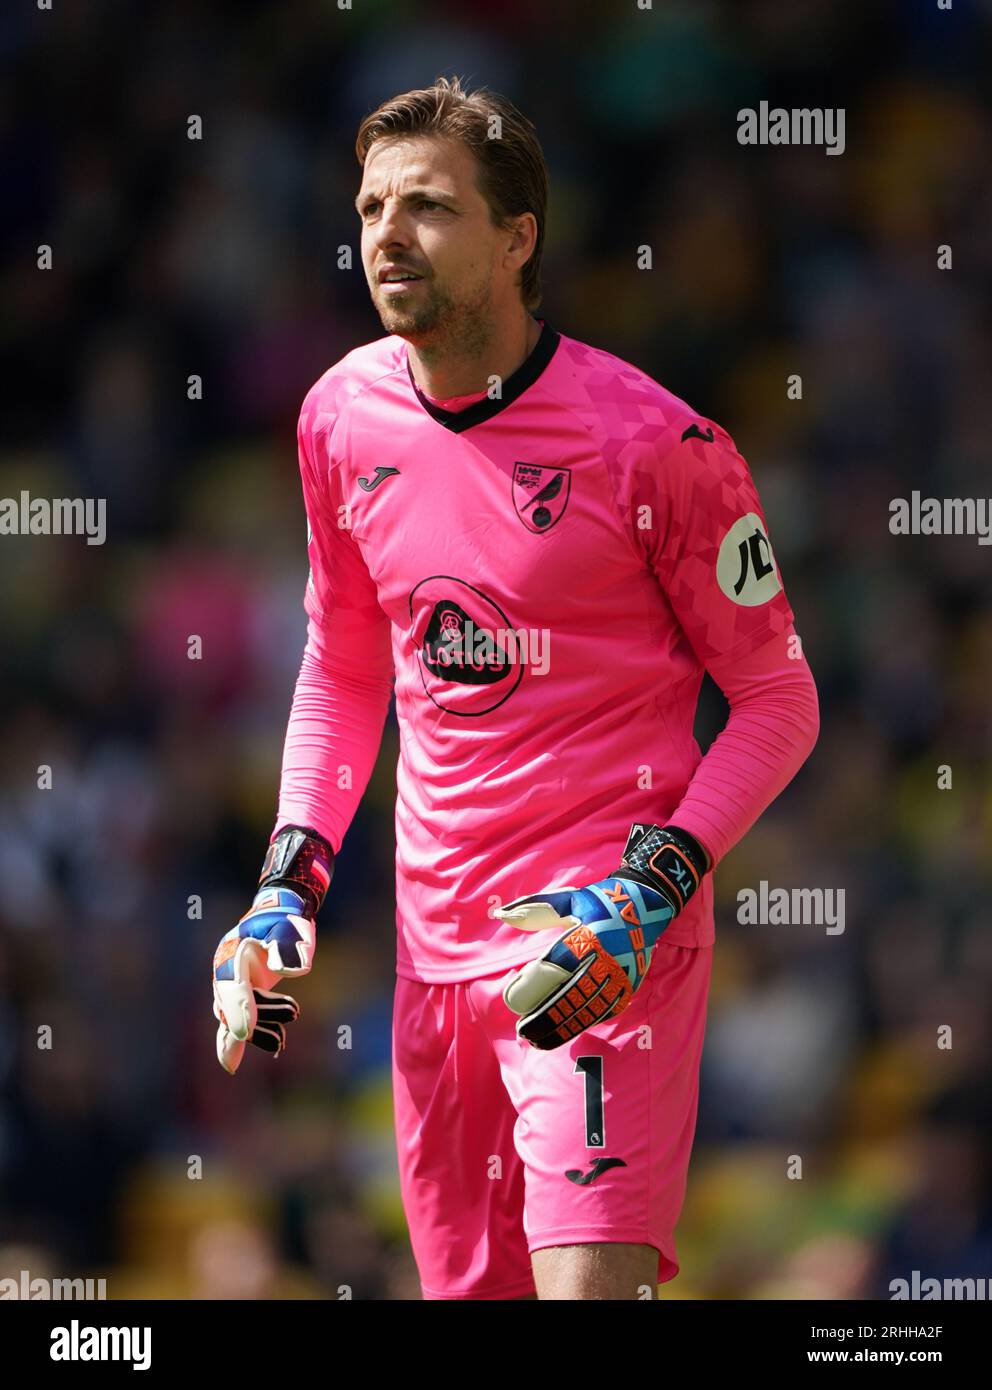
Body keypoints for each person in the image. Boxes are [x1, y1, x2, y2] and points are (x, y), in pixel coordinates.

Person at [211, 75, 820, 1301]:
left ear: (516, 237)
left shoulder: (658, 443)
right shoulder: (338, 418)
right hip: (433, 965)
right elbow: (342, 664)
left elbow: (777, 699)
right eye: (371, 205)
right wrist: (286, 885)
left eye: (427, 206)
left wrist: (653, 886)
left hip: (597, 947)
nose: (385, 233)